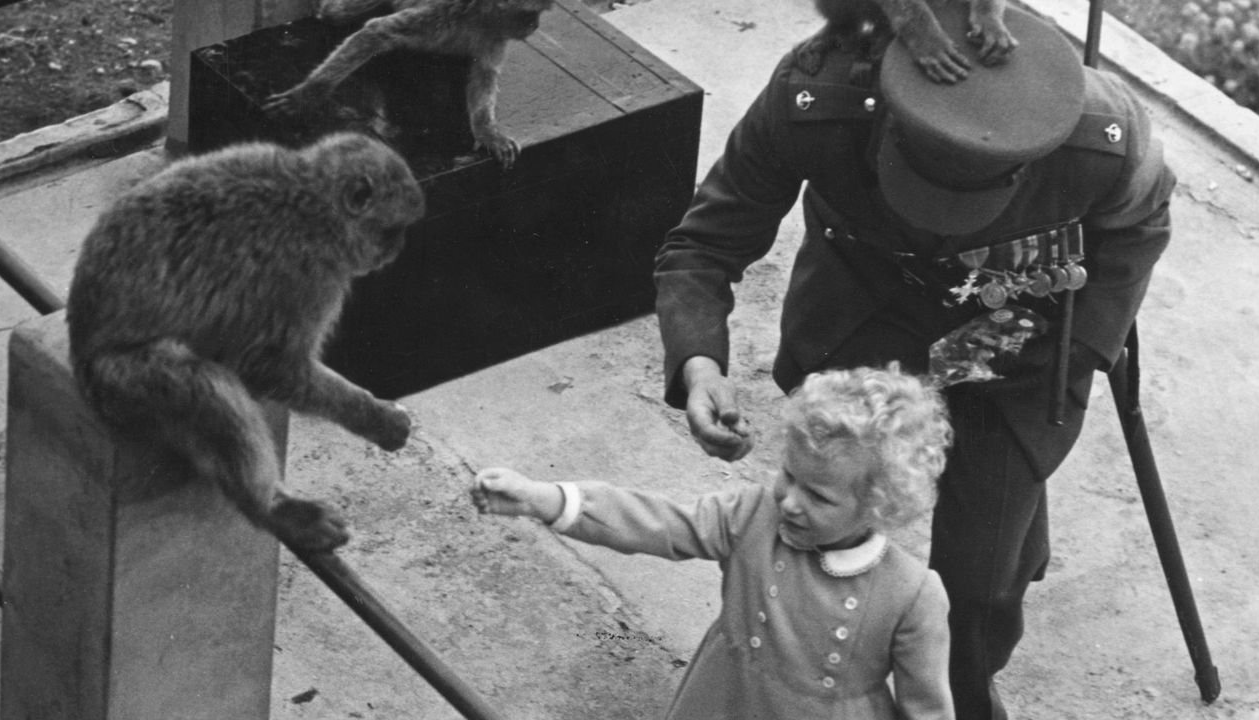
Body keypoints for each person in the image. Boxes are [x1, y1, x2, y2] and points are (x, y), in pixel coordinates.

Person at [652, 1, 1176, 718]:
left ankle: (964, 689)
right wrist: (700, 365)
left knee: (981, 585)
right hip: (864, 319)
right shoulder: (816, 98)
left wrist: (1083, 348)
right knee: (817, 529)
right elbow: (705, 242)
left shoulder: (1098, 135)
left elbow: (1142, 226)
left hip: (1016, 336)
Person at [472, 365, 955, 720]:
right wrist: (543, 498)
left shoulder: (911, 593)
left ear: (880, 505)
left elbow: (927, 709)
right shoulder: (752, 515)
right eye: (788, 475)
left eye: (819, 496)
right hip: (724, 699)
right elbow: (658, 522)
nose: (789, 501)